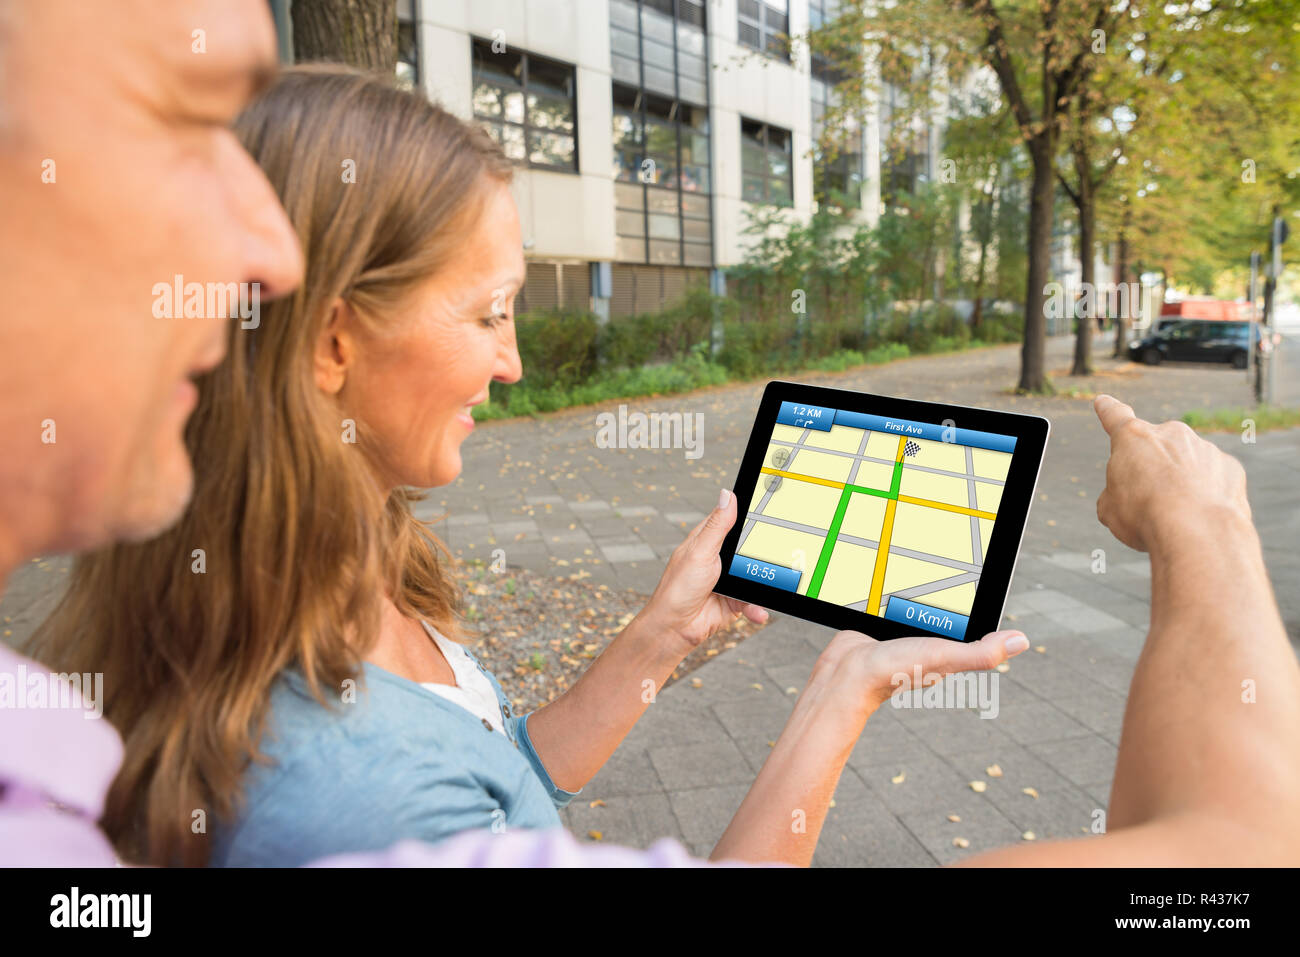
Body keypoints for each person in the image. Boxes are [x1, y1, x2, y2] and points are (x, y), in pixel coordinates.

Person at [2, 1, 1295, 871]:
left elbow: (496, 777)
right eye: (493, 311)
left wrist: (650, 647)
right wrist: (1209, 525)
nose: (514, 359)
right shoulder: (357, 807)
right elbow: (1241, 849)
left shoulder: (319, 573)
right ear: (334, 340)